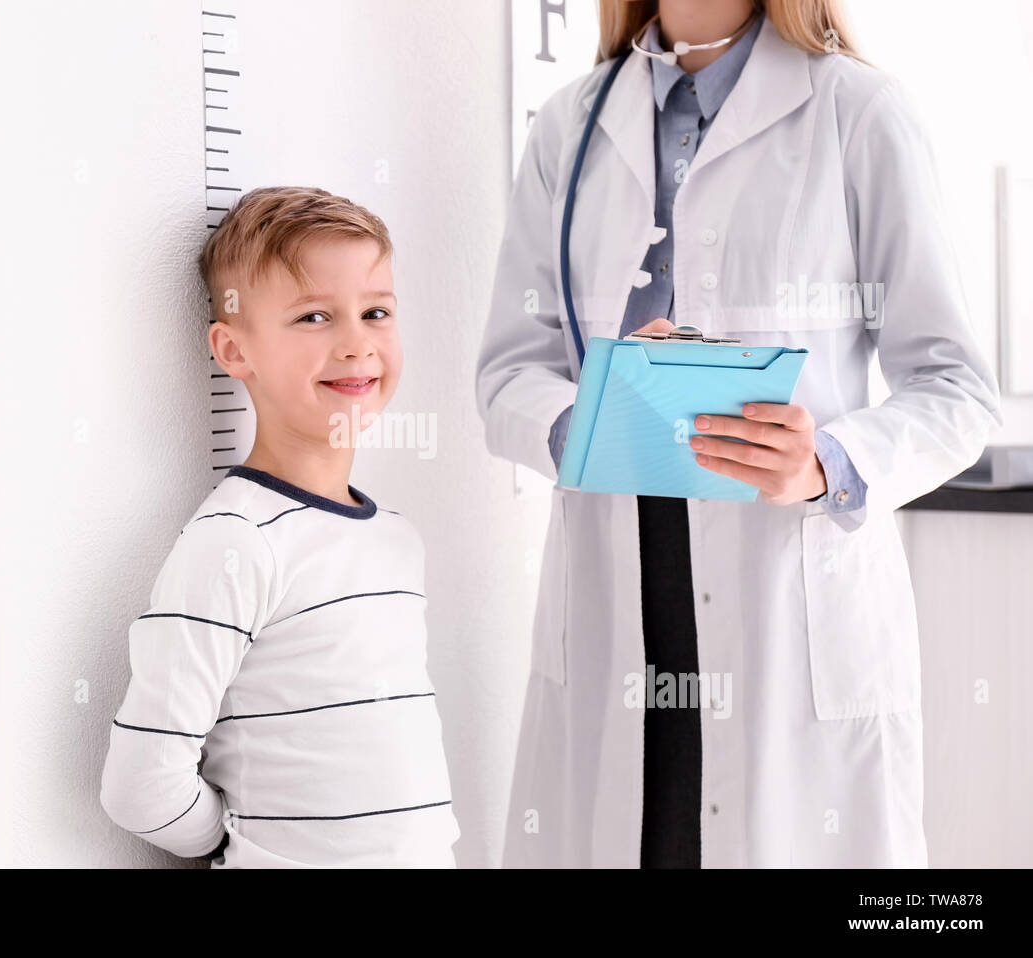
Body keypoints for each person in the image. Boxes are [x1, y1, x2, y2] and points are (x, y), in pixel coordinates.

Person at [475, 0, 1001, 867]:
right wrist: (592, 417)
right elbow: (506, 373)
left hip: (783, 596)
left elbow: (954, 387)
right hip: (618, 588)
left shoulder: (857, 111)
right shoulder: (572, 123)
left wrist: (828, 463)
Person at [100, 186, 460, 867]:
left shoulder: (395, 539)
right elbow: (141, 785)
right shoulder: (237, 541)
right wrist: (244, 844)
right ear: (235, 350)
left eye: (375, 312)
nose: (357, 344)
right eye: (315, 317)